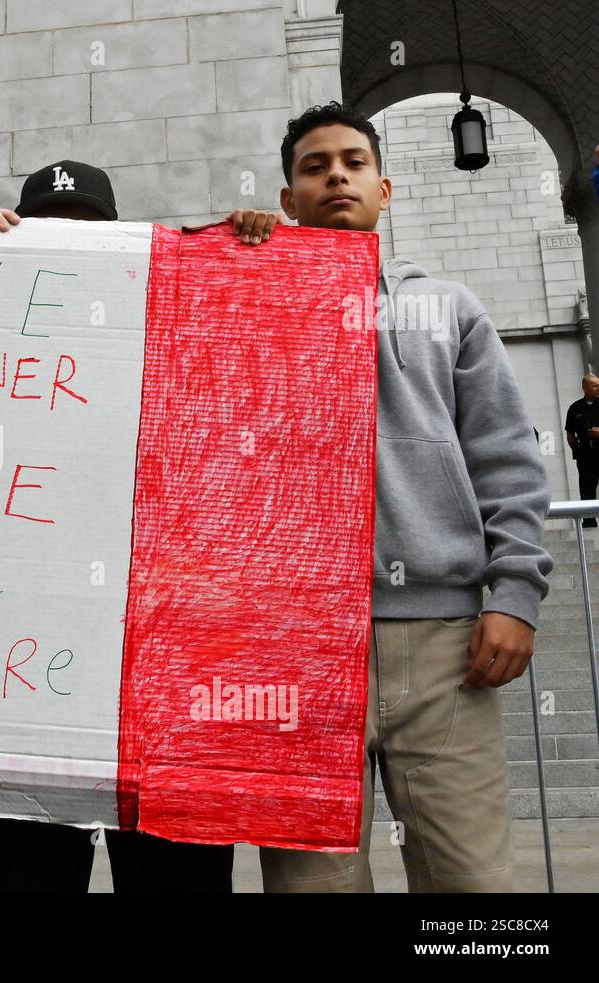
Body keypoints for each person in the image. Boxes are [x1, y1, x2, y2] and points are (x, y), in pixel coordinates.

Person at [258, 103, 553, 893]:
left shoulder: (450, 309)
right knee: (311, 888)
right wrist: (228, 261)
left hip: (444, 647)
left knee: (474, 886)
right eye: (314, 167)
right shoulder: (250, 304)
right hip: (298, 646)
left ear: (383, 189)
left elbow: (507, 457)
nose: (335, 177)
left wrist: (516, 590)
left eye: (352, 163)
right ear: (287, 198)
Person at [0, 160, 281, 893]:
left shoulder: (177, 321)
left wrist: (247, 251)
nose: (66, 244)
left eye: (85, 231)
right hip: (24, 687)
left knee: (177, 880)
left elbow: (258, 373)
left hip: (165, 678)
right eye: (47, 227)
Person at [565, 374, 599, 527]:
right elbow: (570, 434)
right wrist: (578, 449)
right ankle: (589, 521)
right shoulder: (575, 408)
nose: (598, 388)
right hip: (585, 455)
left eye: (598, 385)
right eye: (594, 385)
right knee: (586, 488)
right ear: (584, 388)